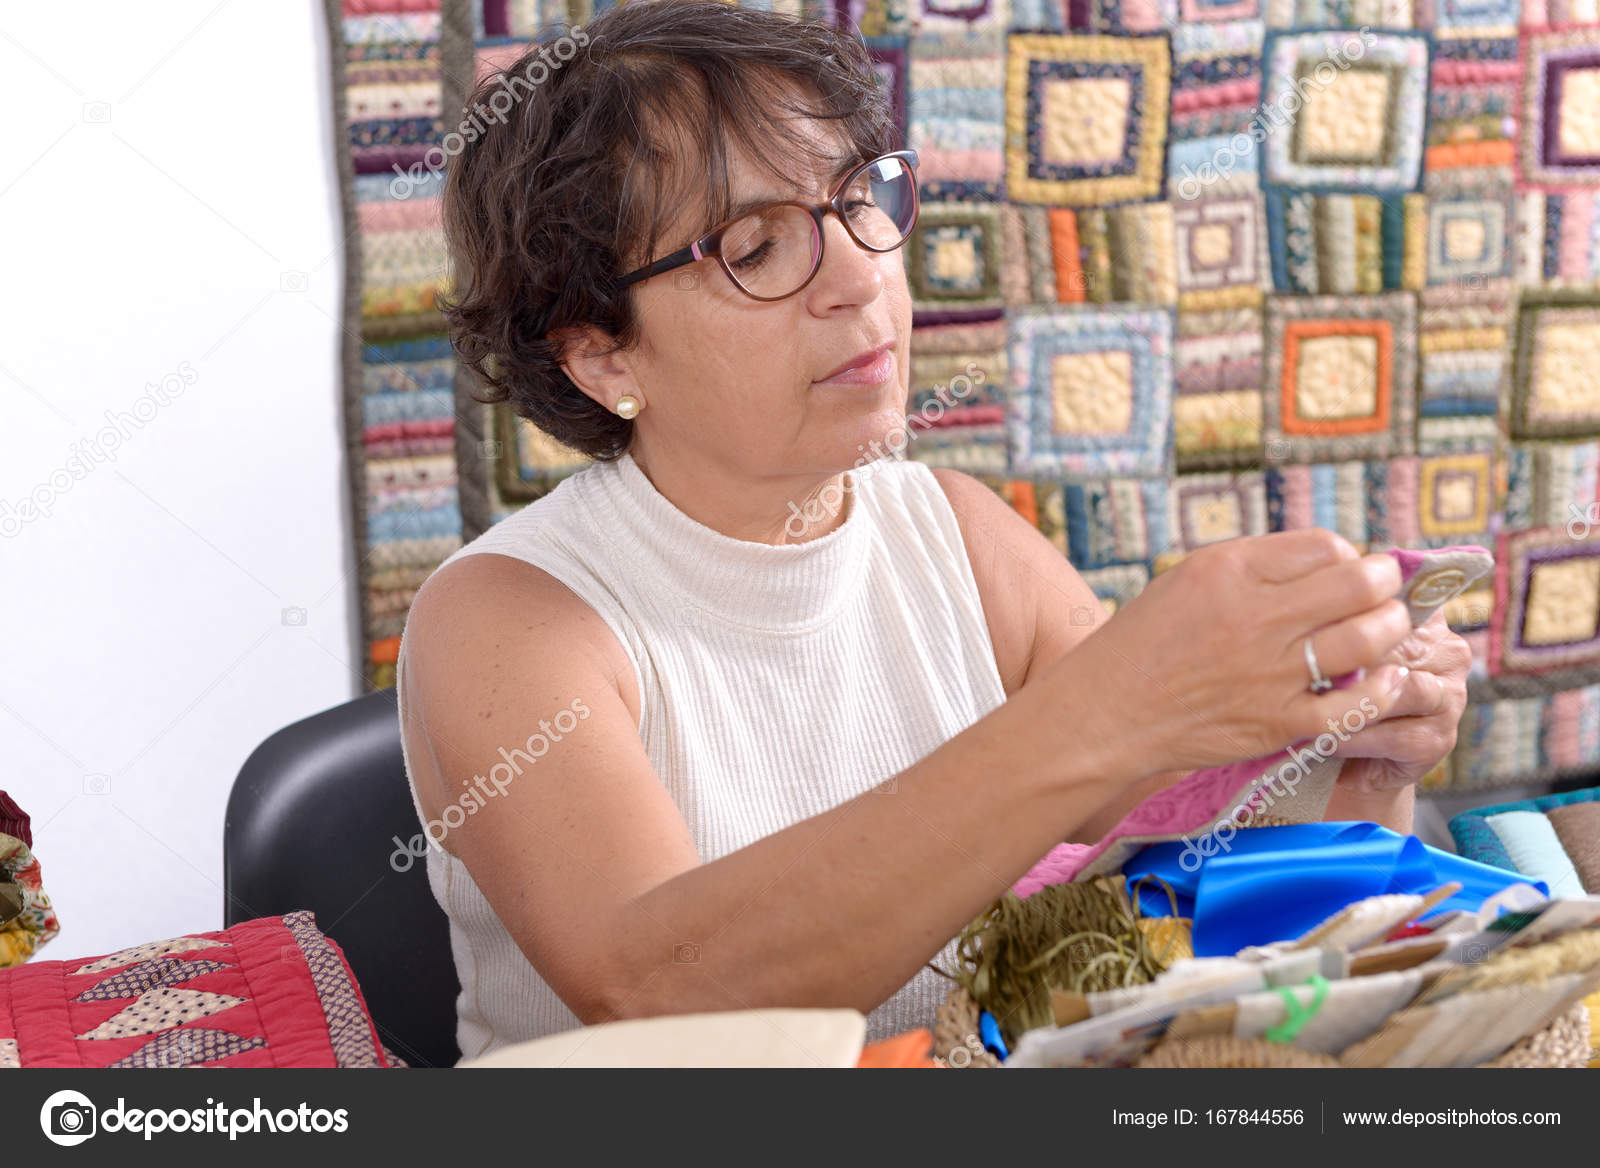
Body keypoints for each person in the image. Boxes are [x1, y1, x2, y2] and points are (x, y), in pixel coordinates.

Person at [396, 0, 1469, 1060]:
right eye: (758, 248)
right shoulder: (510, 616)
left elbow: (1208, 876)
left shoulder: (957, 533)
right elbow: (666, 994)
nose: (863, 277)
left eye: (864, 202)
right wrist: (1112, 703)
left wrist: (1357, 750)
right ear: (603, 357)